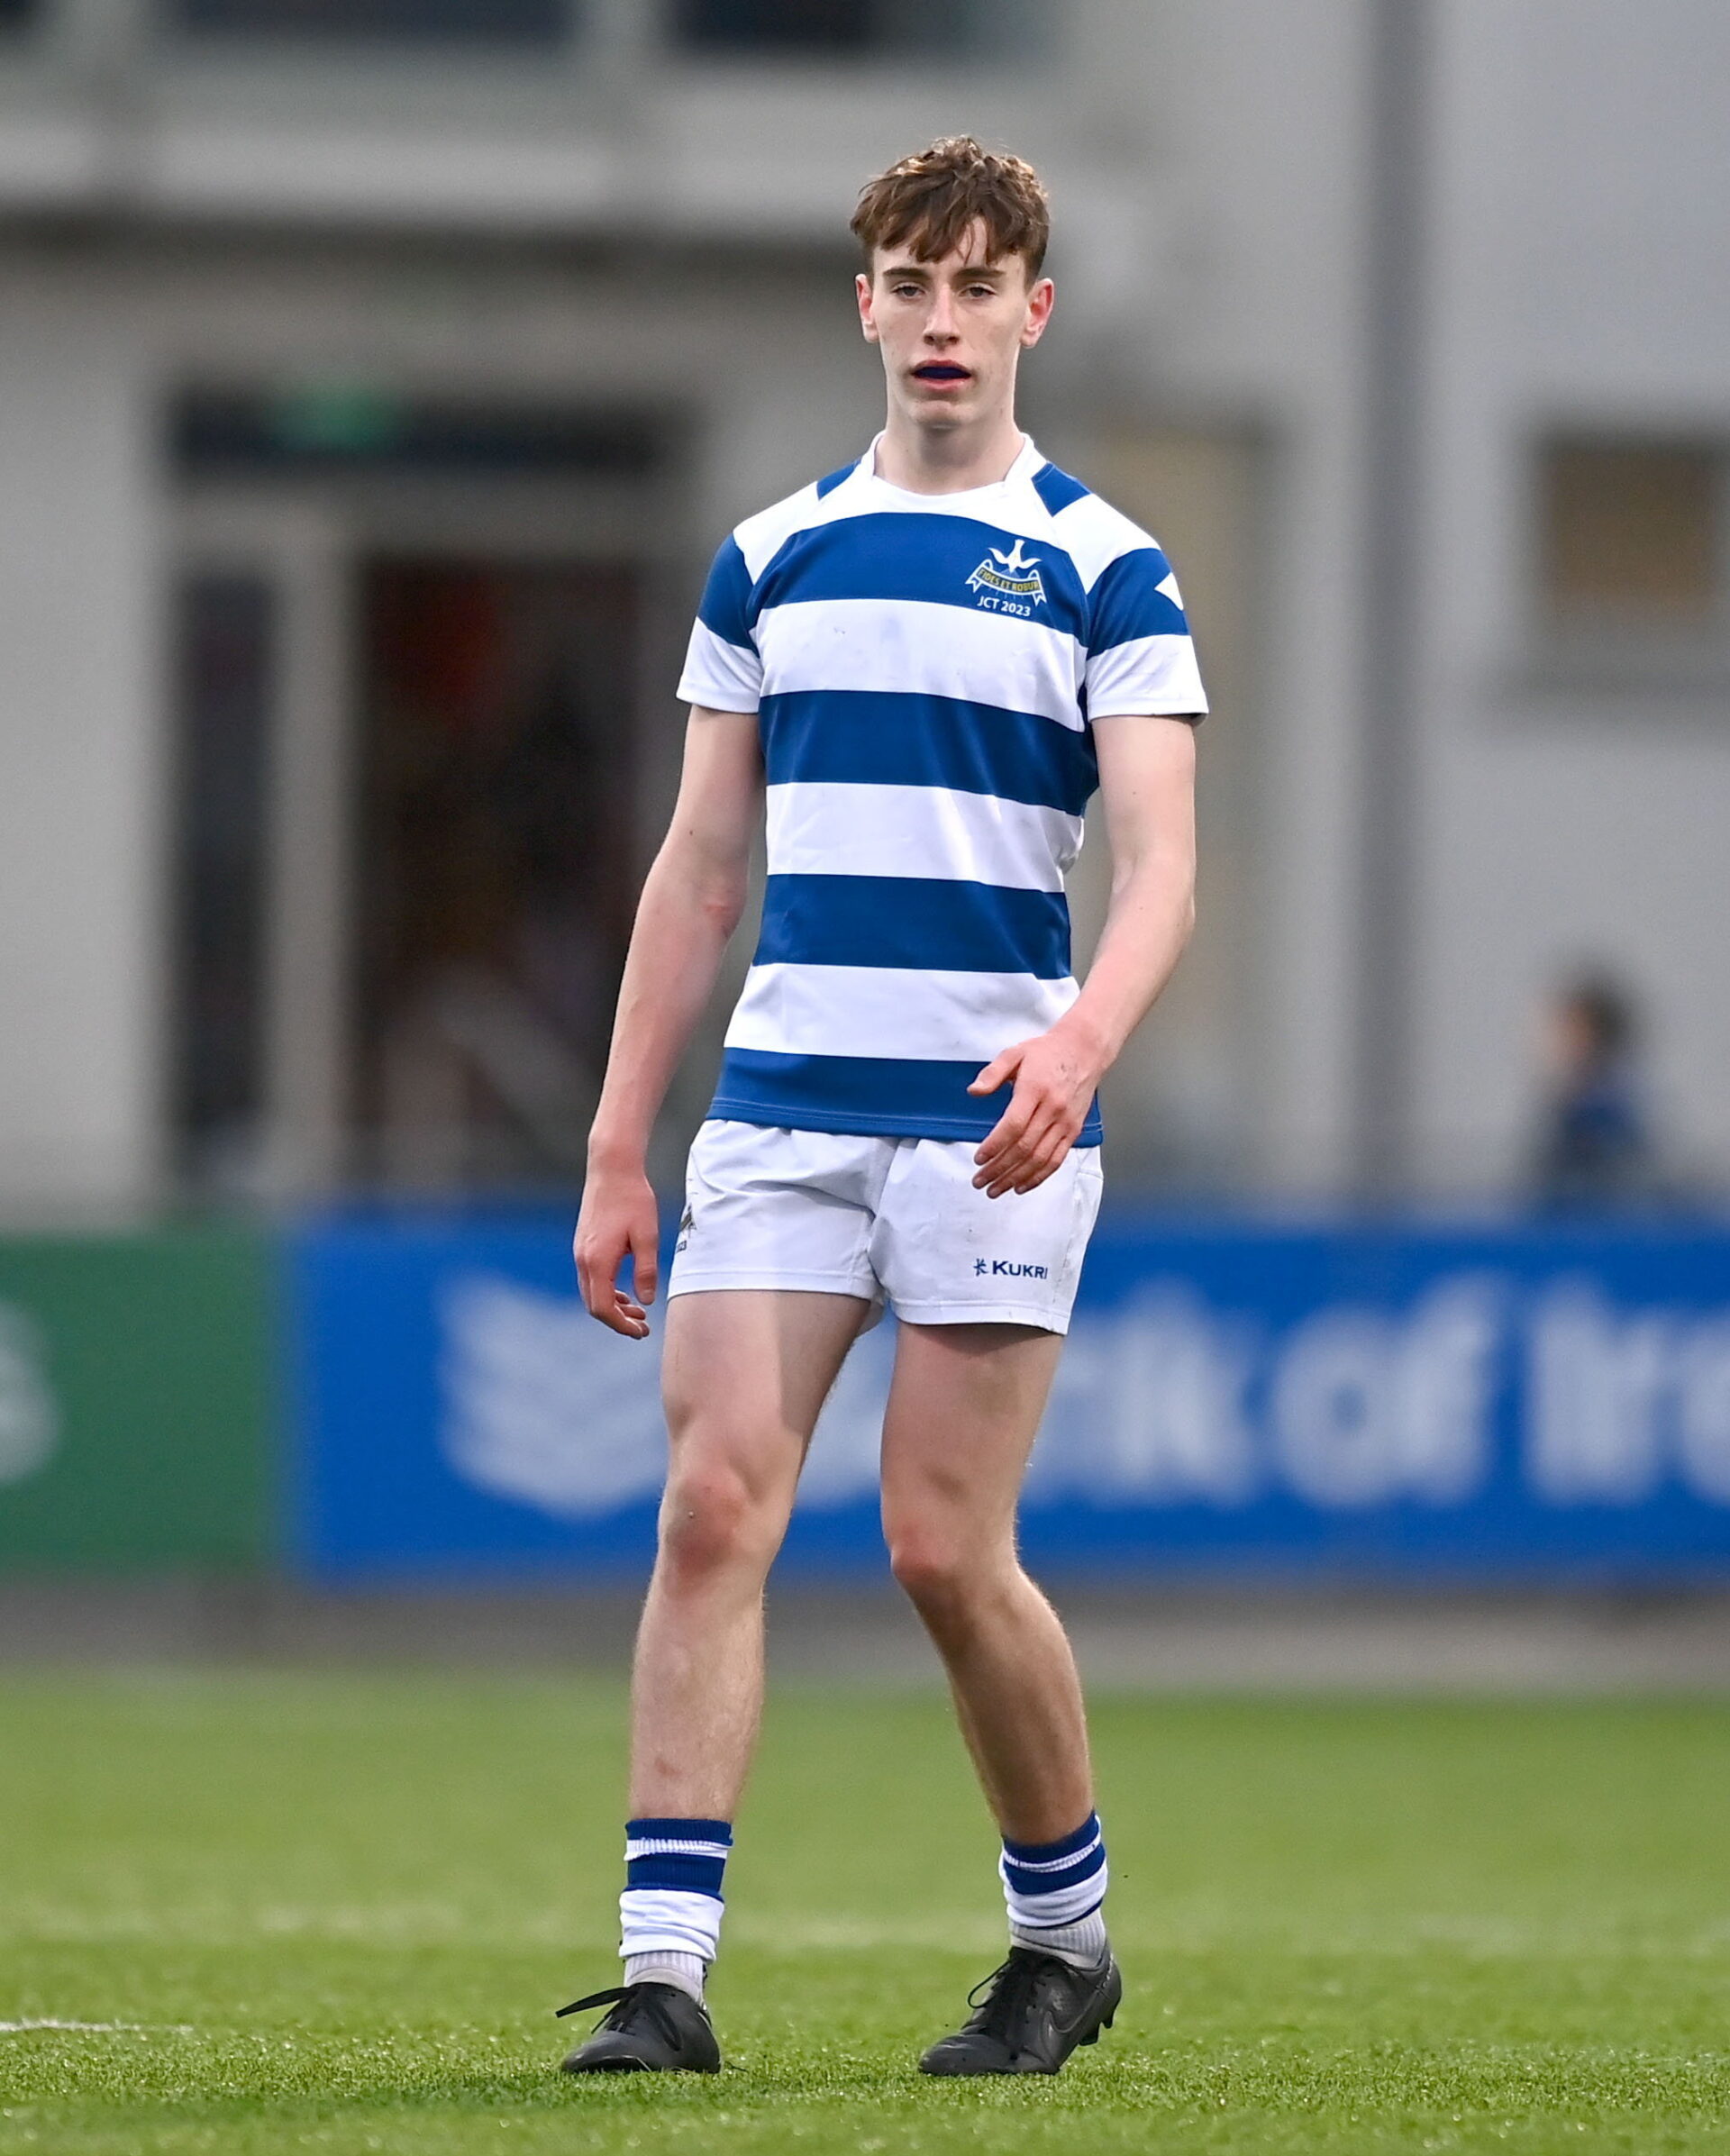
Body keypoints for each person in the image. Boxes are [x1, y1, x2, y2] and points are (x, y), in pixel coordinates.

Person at [560, 136, 1206, 2078]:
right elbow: (697, 866)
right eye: (909, 285)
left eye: (977, 284)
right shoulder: (772, 553)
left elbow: (1166, 865)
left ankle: (1063, 1938)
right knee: (711, 1505)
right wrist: (615, 1136)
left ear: (1034, 309)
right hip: (779, 1108)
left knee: (942, 1547)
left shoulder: (1108, 563)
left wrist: (1081, 1042)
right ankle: (665, 1976)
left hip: (994, 1112)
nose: (943, 320)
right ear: (866, 306)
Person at [1529, 970, 1657, 1208]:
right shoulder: (1565, 1105)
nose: (1558, 1041)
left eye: (1572, 1030)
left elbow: (1624, 1180)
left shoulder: (1609, 1107)